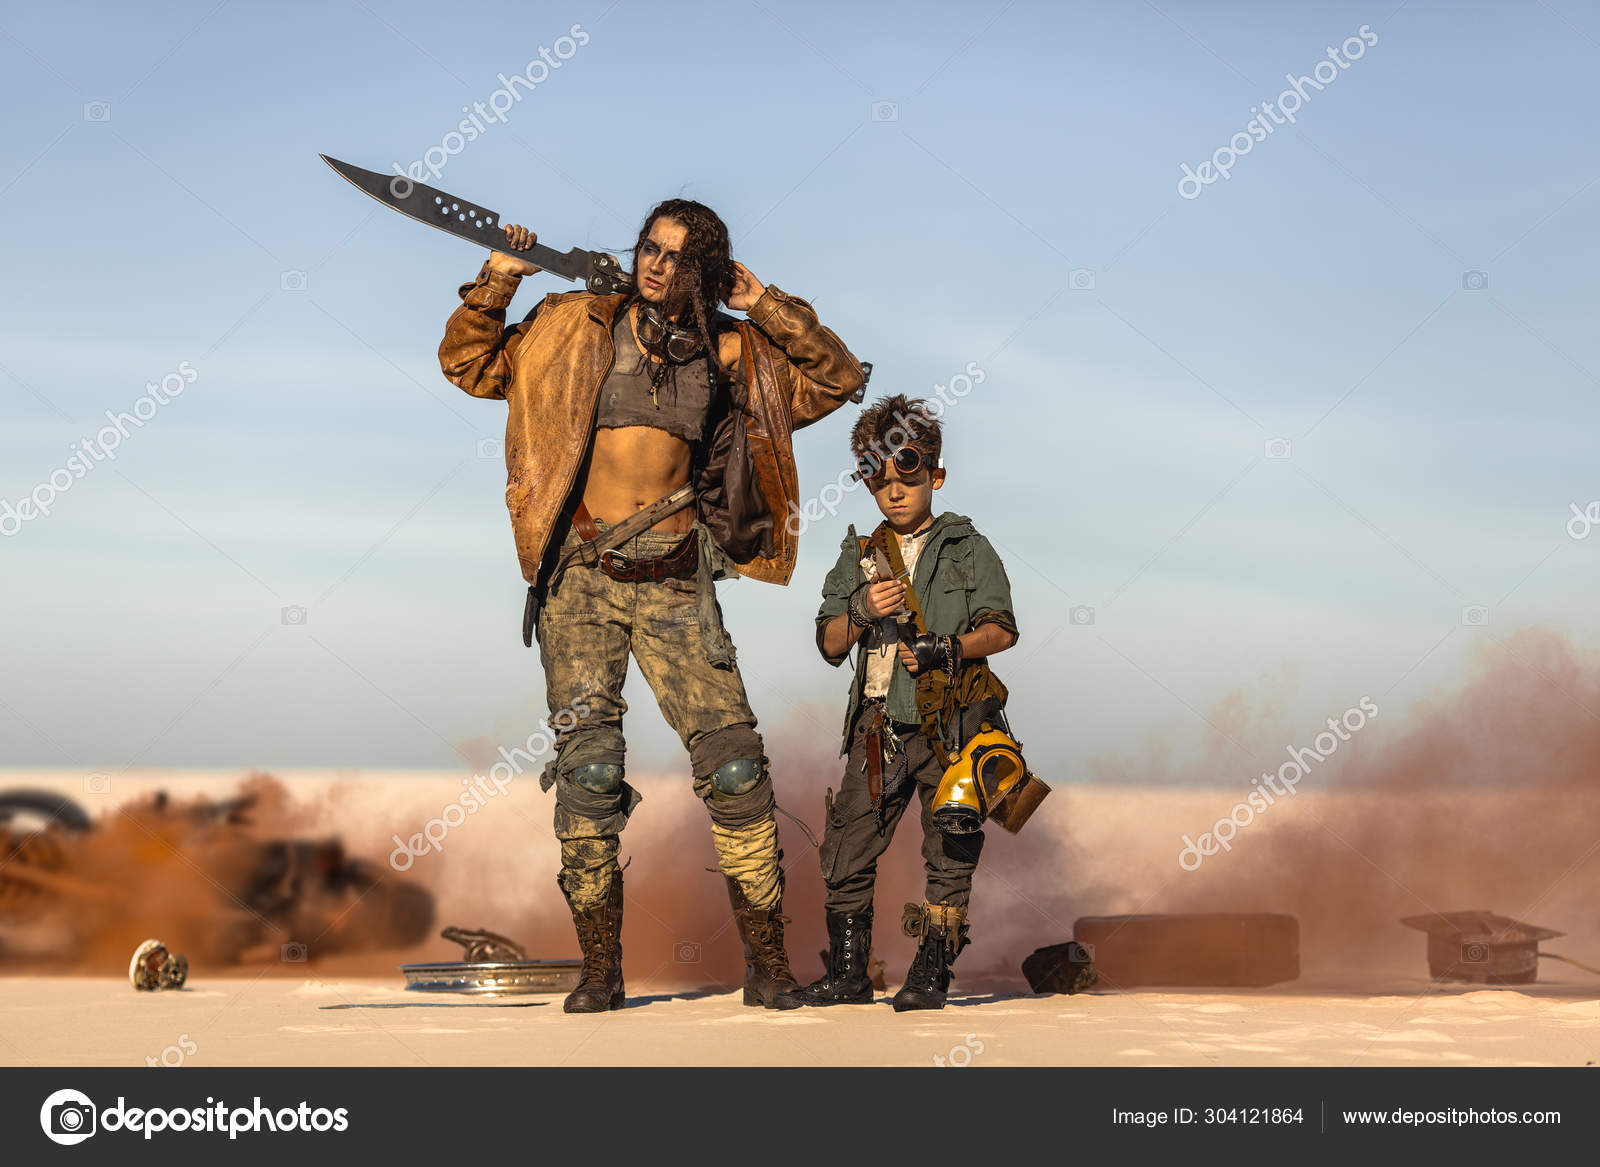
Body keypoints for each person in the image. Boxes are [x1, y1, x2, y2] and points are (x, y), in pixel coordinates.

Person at [438, 202, 866, 1011]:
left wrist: (765, 304)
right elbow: (469, 365)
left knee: (736, 767)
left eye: (676, 256)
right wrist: (498, 279)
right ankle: (601, 970)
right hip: (580, 577)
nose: (656, 265)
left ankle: (768, 966)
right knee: (590, 772)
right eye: (649, 248)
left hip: (675, 580)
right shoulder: (575, 323)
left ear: (703, 271)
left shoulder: (731, 351)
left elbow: (838, 378)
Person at [792, 394, 1019, 1011]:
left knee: (950, 850)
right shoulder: (859, 555)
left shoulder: (967, 547)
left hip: (949, 727)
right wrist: (862, 609)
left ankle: (931, 974)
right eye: (878, 477)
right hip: (878, 729)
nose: (894, 490)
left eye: (908, 473)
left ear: (935, 476)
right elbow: (829, 642)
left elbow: (1001, 630)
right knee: (846, 849)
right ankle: (848, 975)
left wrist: (947, 648)